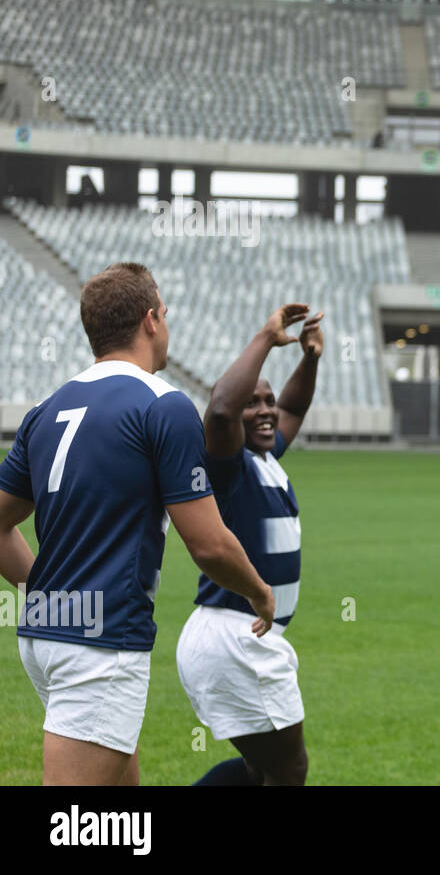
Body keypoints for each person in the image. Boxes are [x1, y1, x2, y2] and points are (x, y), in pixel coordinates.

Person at [0, 263, 273, 785]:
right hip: (100, 645)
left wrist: (44, 592)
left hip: (47, 637)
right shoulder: (163, 404)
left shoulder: (45, 408)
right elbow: (210, 544)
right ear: (151, 320)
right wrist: (259, 592)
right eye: (165, 314)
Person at [177, 304, 323, 786]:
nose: (265, 410)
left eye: (268, 401)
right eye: (253, 403)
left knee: (263, 768)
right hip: (237, 634)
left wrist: (310, 359)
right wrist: (265, 338)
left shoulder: (266, 457)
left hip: (244, 634)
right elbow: (219, 410)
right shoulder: (228, 465)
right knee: (288, 768)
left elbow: (295, 408)